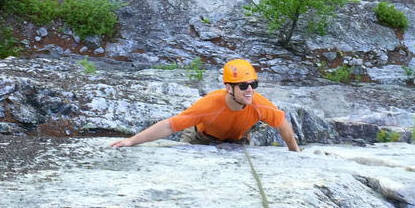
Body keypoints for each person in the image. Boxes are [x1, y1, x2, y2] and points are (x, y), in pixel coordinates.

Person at [110, 58, 299, 152]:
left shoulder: (259, 104)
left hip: (236, 141)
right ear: (229, 88)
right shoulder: (210, 105)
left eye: (253, 85)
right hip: (200, 138)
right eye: (243, 86)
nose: (250, 90)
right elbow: (170, 125)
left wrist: (295, 152)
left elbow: (282, 124)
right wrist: (132, 141)